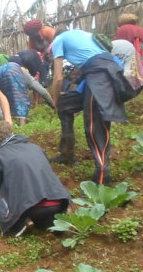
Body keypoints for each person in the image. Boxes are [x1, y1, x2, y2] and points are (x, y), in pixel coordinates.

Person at [50, 29, 133, 185]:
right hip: (98, 72)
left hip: (101, 75)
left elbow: (58, 78)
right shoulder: (82, 35)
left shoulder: (58, 40)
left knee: (95, 125)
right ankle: (67, 153)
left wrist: (54, 100)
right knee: (65, 104)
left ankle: (102, 175)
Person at [0, 120, 70, 237]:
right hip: (59, 201)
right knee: (45, 222)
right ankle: (55, 223)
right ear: (12, 132)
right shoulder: (36, 147)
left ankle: (19, 223)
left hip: (33, 207)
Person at [0, 61, 55, 127]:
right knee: (21, 99)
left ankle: (0, 127)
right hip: (13, 71)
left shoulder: (2, 70)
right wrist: (53, 104)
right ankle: (22, 127)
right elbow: (39, 89)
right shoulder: (22, 73)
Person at [114, 13, 143, 90]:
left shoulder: (122, 29)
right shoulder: (140, 29)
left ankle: (133, 84)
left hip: (131, 50)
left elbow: (119, 42)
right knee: (142, 64)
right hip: (142, 51)